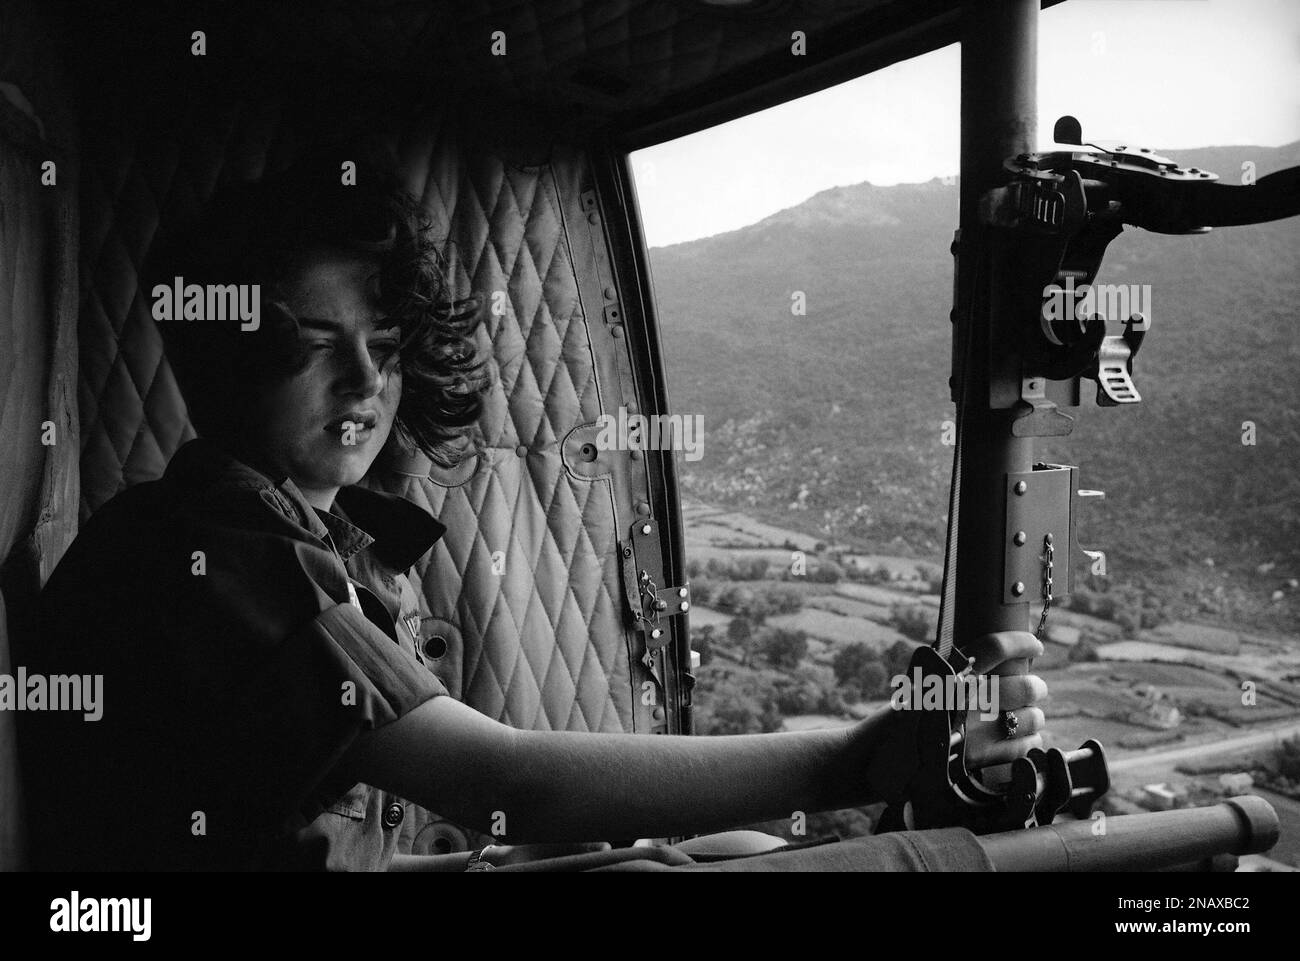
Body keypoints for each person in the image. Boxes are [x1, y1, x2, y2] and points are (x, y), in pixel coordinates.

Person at [16, 156, 1047, 872]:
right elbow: (503, 780)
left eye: (383, 336)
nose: (369, 377)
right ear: (223, 357)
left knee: (730, 853)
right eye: (314, 343)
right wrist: (852, 759)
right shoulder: (213, 548)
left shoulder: (280, 532)